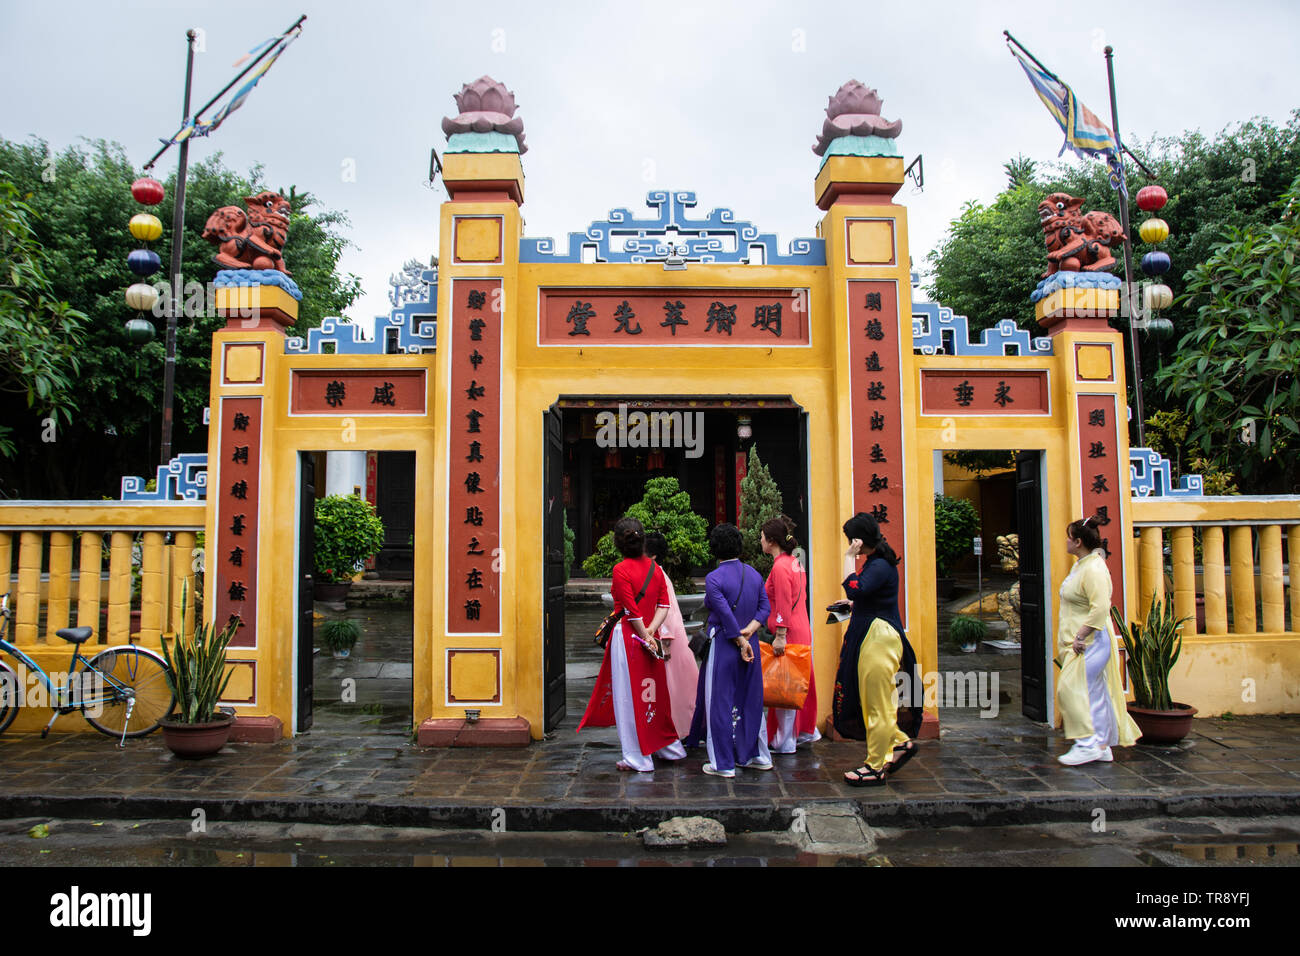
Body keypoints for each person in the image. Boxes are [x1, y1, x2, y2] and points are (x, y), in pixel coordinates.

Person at [577, 517, 686, 771]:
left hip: (628, 640)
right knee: (655, 694)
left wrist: (643, 634)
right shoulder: (655, 569)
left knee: (628, 697)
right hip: (652, 640)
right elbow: (664, 605)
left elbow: (630, 610)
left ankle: (638, 757)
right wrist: (651, 632)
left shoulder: (620, 570)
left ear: (618, 543)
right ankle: (668, 747)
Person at [833, 512, 918, 787]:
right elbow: (869, 597)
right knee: (873, 703)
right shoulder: (876, 563)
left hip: (879, 638)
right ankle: (900, 743)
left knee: (878, 704)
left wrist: (848, 559)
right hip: (875, 634)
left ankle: (875, 766)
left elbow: (856, 589)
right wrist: (852, 607)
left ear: (858, 540)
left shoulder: (879, 565)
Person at [684, 523, 772, 778]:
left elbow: (722, 613)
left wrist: (738, 639)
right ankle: (757, 754)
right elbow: (764, 608)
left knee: (720, 702)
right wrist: (749, 633)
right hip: (751, 642)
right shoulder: (754, 574)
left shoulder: (714, 578)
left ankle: (723, 763)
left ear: (715, 549)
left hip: (725, 643)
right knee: (750, 699)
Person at [1055, 515, 1140, 765]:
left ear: (1078, 541)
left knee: (1070, 689)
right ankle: (1102, 745)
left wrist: (1081, 635)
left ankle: (1087, 743)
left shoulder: (1093, 568)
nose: (1066, 541)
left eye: (1069, 537)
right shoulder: (1082, 564)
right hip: (1082, 640)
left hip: (1090, 641)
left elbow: (1101, 607)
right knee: (1093, 691)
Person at [760, 515, 819, 753]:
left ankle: (785, 741)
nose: (760, 541)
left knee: (785, 686)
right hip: (800, 627)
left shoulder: (781, 566)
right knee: (800, 683)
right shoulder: (794, 563)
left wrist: (781, 634)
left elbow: (784, 602)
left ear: (772, 541)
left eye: (762, 537)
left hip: (789, 631)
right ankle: (805, 731)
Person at [645, 531, 700, 739]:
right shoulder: (656, 573)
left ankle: (678, 730)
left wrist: (665, 641)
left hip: (668, 639)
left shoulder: (657, 575)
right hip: (667, 637)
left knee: (675, 688)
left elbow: (666, 609)